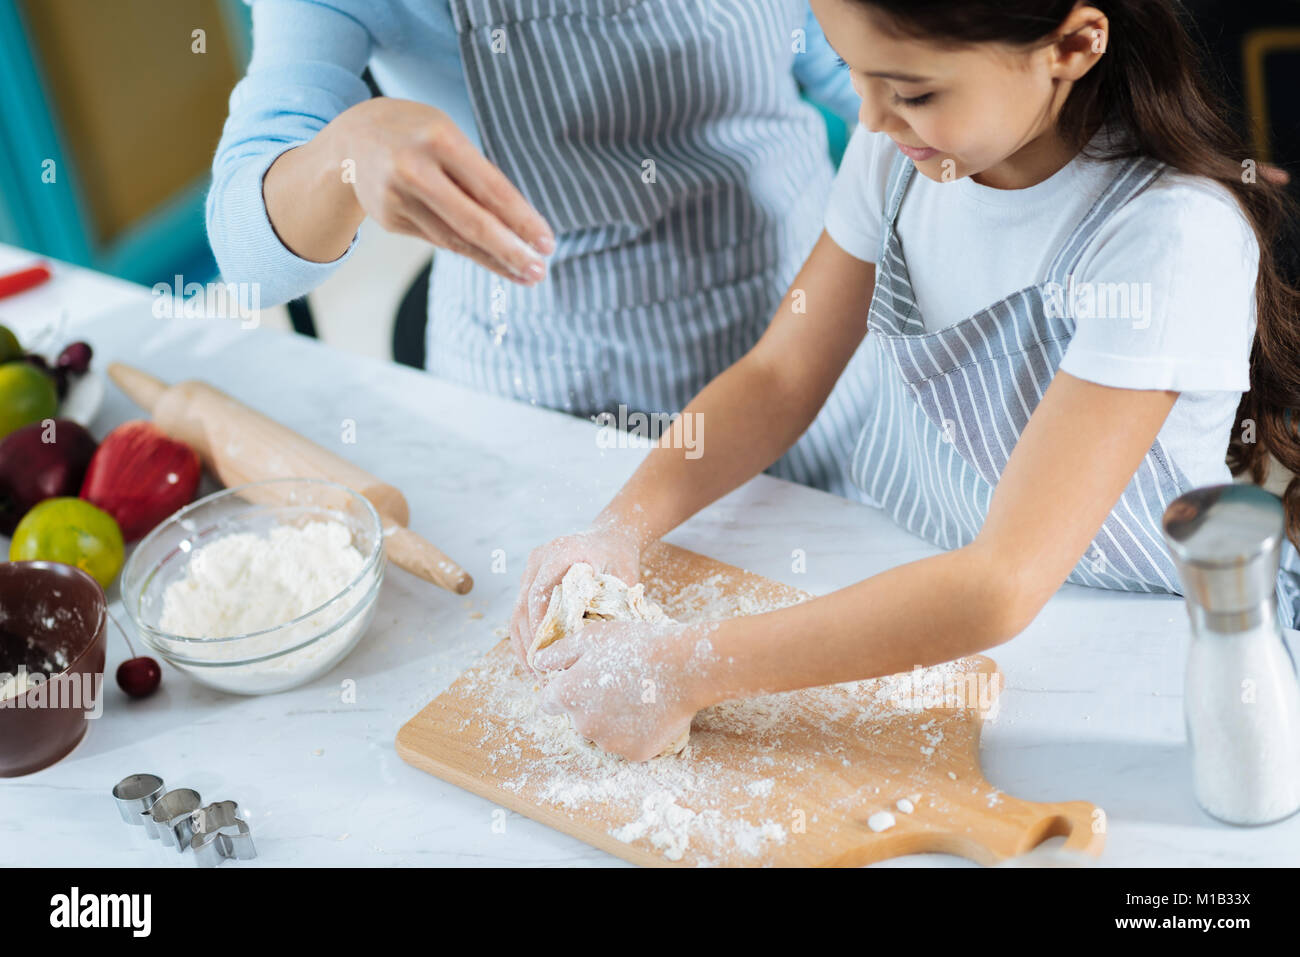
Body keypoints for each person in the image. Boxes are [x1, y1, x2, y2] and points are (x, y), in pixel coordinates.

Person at [512, 0, 1300, 760]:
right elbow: (779, 374)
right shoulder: (902, 153)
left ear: (1072, 46)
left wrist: (682, 666)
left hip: (1132, 660)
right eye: (855, 73)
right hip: (906, 586)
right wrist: (621, 525)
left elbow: (1000, 583)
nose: (876, 118)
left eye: (915, 91)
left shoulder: (1164, 237)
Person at [206, 0, 866, 494]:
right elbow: (247, 261)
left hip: (817, 340)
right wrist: (342, 155)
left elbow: (840, 52)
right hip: (555, 407)